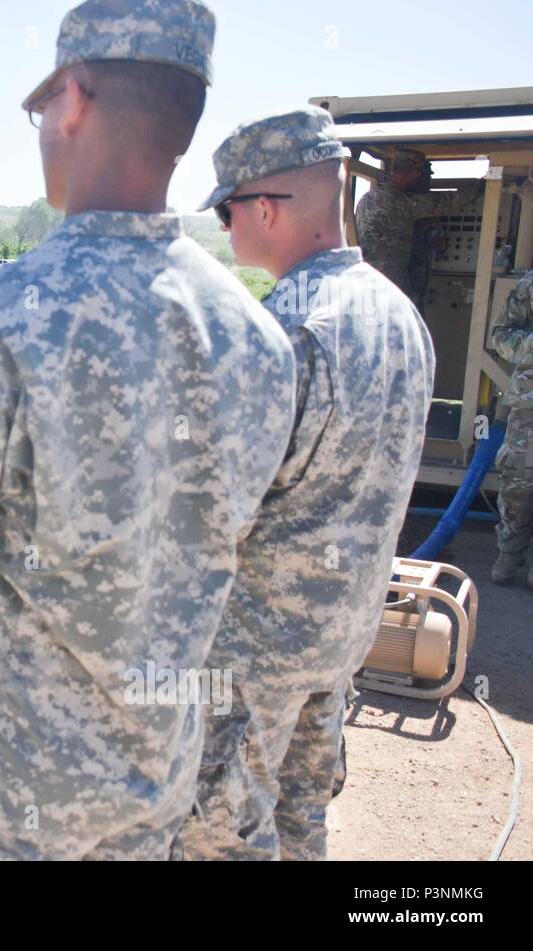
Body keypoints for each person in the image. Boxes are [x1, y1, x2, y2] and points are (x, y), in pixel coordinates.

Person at [0, 0, 296, 861]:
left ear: (72, 98)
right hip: (151, 779)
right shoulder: (257, 341)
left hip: (4, 785)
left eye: (42, 111)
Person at [177, 107, 435, 860]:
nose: (225, 228)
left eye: (227, 210)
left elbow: (208, 512)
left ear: (265, 208)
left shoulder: (286, 329)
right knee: (301, 828)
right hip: (339, 642)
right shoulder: (401, 316)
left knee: (216, 839)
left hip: (252, 658)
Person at [355, 148, 481, 302]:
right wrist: (482, 183)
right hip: (391, 280)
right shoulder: (402, 202)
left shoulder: (366, 199)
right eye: (419, 174)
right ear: (414, 173)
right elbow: (447, 201)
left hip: (365, 279)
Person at [491, 270, 533, 586]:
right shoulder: (528, 287)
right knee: (517, 484)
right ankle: (509, 552)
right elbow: (501, 336)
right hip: (528, 408)